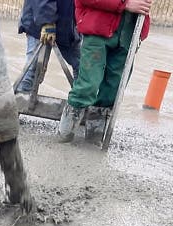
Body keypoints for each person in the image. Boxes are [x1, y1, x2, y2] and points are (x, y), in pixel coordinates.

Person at [58, 0, 152, 143]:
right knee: (88, 85)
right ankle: (64, 137)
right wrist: (125, 4)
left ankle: (94, 140)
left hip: (128, 32)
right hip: (98, 28)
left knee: (113, 90)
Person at [16, 0, 81, 94]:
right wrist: (46, 22)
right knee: (33, 70)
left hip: (67, 24)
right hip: (39, 22)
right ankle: (22, 101)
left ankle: (79, 103)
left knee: (82, 68)